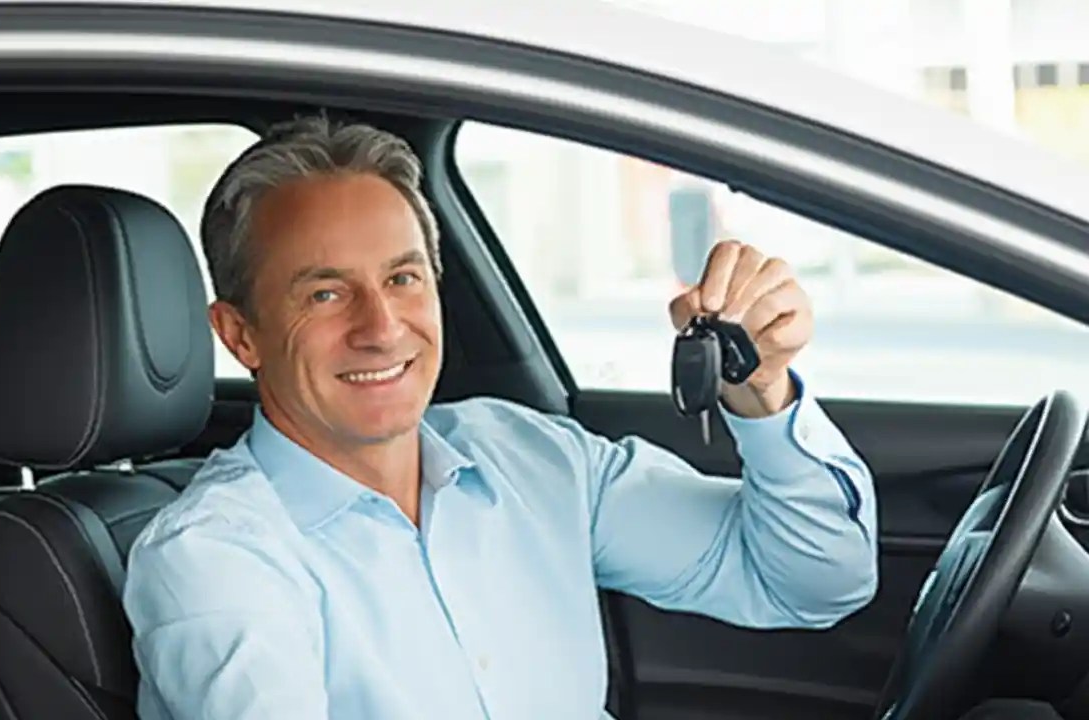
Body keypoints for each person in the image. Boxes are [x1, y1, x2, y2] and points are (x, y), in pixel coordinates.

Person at [122, 115, 879, 720]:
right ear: (240, 334)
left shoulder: (527, 457)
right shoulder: (212, 560)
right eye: (325, 293)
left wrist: (762, 395)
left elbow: (811, 583)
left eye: (403, 277)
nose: (382, 327)